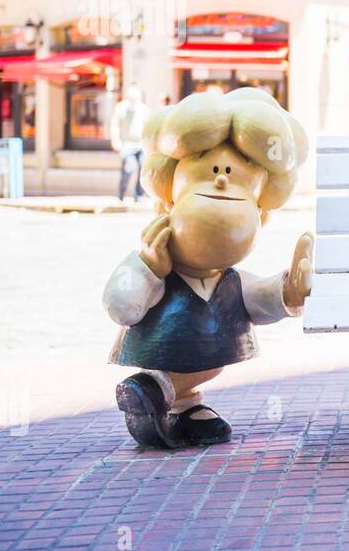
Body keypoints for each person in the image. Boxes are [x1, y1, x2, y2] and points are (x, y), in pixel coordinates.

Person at [103, 88, 314, 449]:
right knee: (202, 364)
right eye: (206, 165)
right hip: (158, 343)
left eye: (237, 174)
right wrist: (148, 268)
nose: (221, 176)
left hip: (210, 346)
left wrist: (287, 293)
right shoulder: (159, 260)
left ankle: (176, 401)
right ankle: (156, 389)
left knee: (211, 363)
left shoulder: (228, 280)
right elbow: (121, 306)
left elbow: (256, 298)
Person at [110, 85, 150, 202]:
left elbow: (149, 126)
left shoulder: (144, 109)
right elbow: (115, 124)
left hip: (141, 145)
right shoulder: (121, 108)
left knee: (143, 169)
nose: (133, 100)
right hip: (127, 145)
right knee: (128, 169)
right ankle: (121, 193)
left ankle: (138, 195)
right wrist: (115, 139)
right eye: (131, 97)